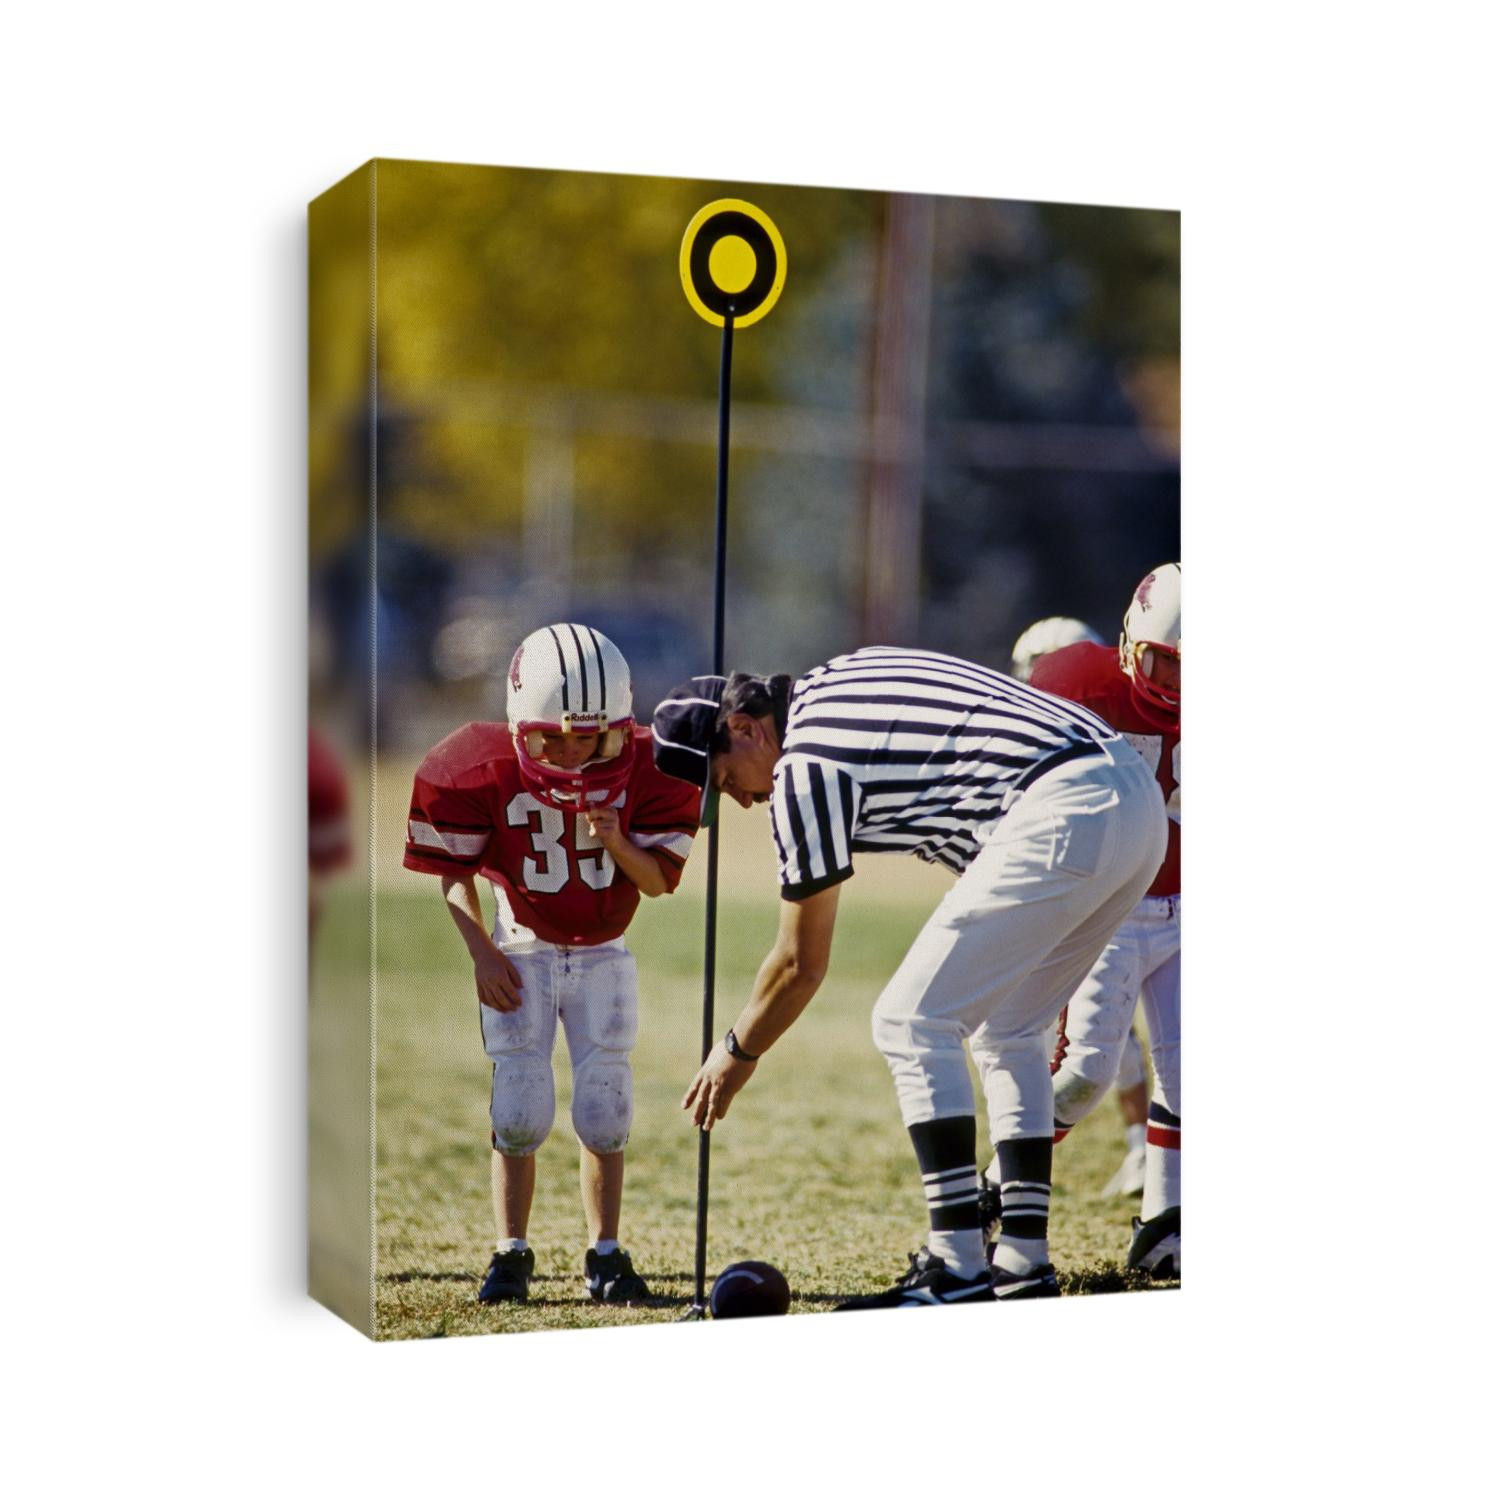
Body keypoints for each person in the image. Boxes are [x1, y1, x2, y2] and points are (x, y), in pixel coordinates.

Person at [653, 645, 1166, 1307]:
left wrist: (736, 1052)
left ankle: (955, 1267)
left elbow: (799, 965)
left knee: (910, 1021)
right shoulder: (836, 676)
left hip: (1061, 809)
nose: (744, 802)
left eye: (725, 781)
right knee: (1011, 1031)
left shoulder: (804, 766)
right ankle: (1022, 1261)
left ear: (748, 728)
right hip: (1134, 801)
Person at [402, 624, 701, 1306]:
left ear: (617, 726)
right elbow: (454, 873)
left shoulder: (652, 769)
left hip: (602, 952)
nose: (569, 750)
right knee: (520, 1110)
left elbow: (655, 883)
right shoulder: (478, 767)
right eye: (553, 737)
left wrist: (616, 840)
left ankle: (606, 1251)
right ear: (519, 725)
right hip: (523, 949)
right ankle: (510, 1251)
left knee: (605, 1109)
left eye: (586, 737)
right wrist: (481, 951)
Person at [985, 565, 1182, 1275]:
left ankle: (1165, 1225)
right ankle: (994, 1195)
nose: (1175, 681)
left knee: (1190, 1073)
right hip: (1113, 910)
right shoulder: (1077, 681)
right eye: (1163, 659)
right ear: (1132, 641)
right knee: (1082, 1076)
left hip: (1189, 908)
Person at [1011, 617, 1151, 1200]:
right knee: (1100, 1033)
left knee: (1089, 1036)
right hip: (1097, 883)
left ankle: (1015, 1176)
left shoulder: (1123, 727)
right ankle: (1143, 1143)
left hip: (1112, 888)